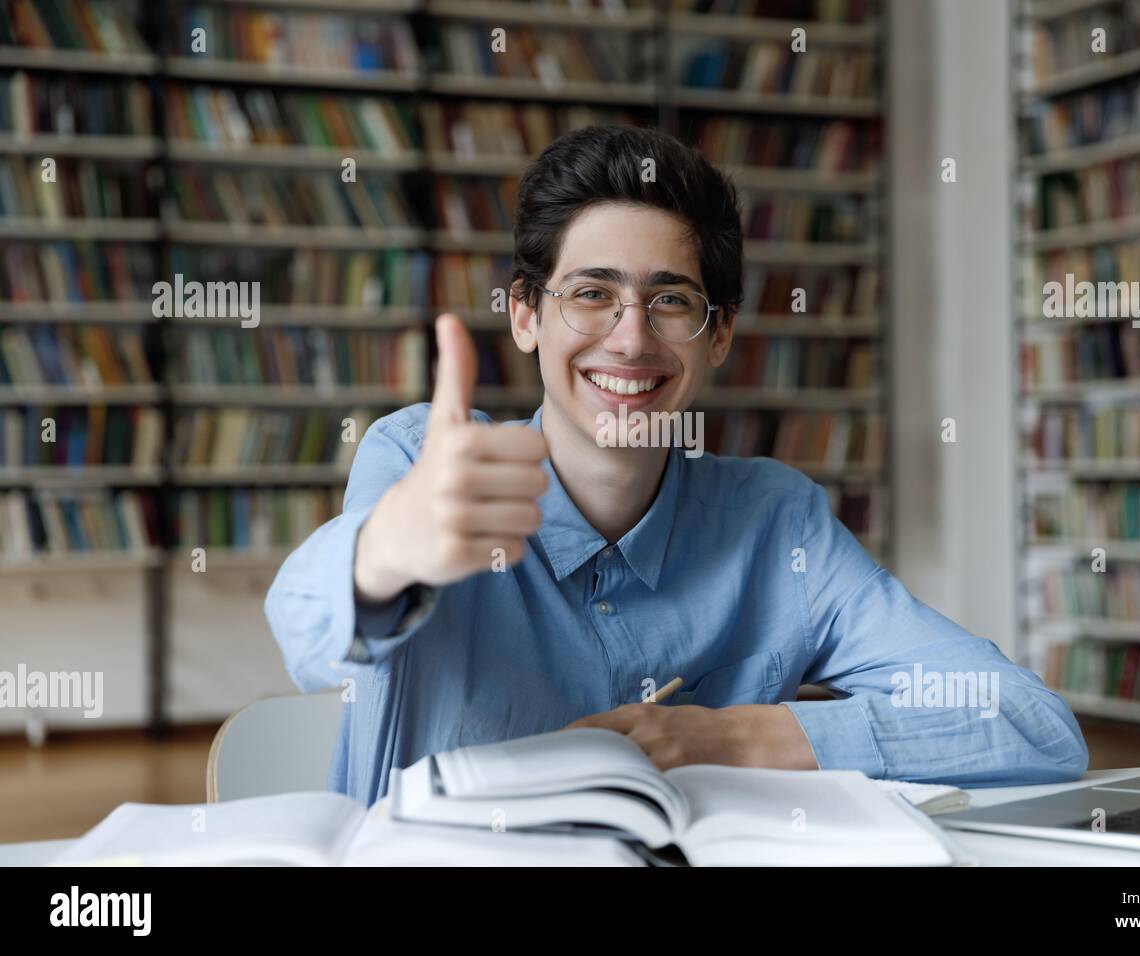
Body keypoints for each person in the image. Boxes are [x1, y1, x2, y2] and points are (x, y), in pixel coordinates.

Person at [266, 125, 1087, 806]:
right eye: (591, 293)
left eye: (671, 300)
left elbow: (1032, 722)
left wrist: (730, 735)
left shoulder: (777, 523)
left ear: (718, 334)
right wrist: (386, 553)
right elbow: (304, 635)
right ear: (524, 316)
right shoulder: (424, 462)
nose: (630, 337)